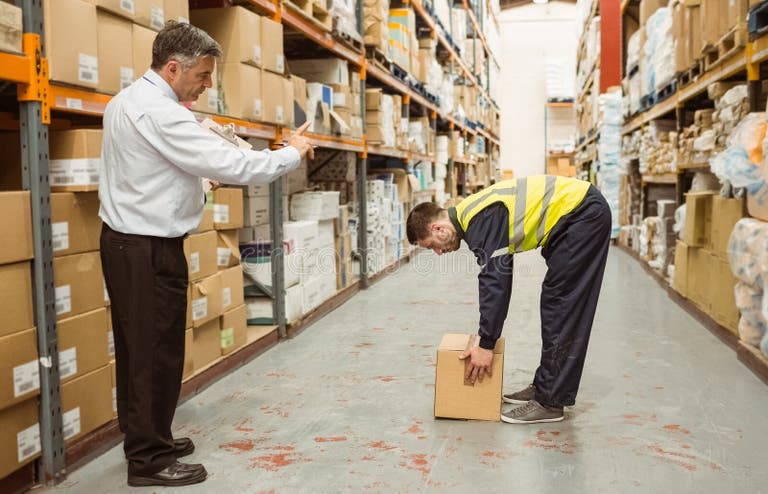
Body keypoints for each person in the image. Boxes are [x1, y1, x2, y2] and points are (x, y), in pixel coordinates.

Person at [98, 21, 313, 487]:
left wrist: (196, 181)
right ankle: (148, 461)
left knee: (145, 348)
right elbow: (238, 164)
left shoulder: (127, 102)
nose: (209, 84)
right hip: (145, 248)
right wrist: (291, 152)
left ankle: (147, 434)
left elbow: (145, 173)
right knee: (154, 351)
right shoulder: (163, 114)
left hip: (129, 242)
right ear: (174, 68)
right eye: (204, 75)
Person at [406, 175, 612, 424]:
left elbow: (496, 280)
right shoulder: (471, 217)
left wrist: (486, 344)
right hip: (574, 217)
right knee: (554, 302)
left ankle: (551, 402)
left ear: (437, 229)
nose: (438, 253)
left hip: (583, 215)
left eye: (432, 247)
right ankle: (545, 386)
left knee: (562, 305)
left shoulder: (480, 219)